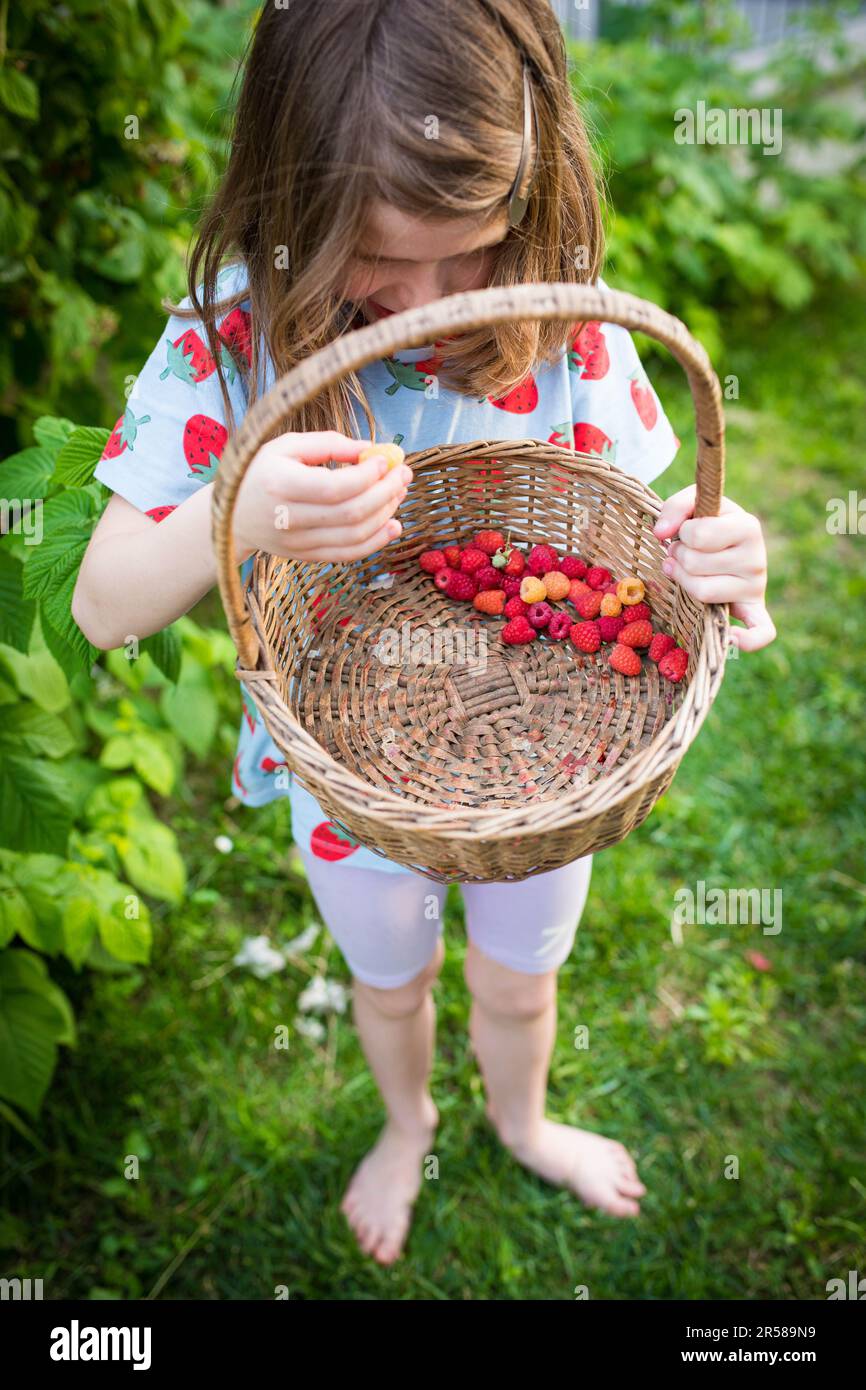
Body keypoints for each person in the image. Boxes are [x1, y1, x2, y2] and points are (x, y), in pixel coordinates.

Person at [72, 0, 775, 1267]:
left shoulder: (562, 318)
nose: (440, 306)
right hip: (344, 780)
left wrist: (720, 557)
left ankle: (520, 1116)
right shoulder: (239, 346)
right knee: (387, 982)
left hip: (544, 773)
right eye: (383, 270)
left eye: (477, 251)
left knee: (519, 978)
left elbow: (650, 532)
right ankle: (410, 1122)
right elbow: (103, 604)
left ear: (530, 195)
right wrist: (236, 504)